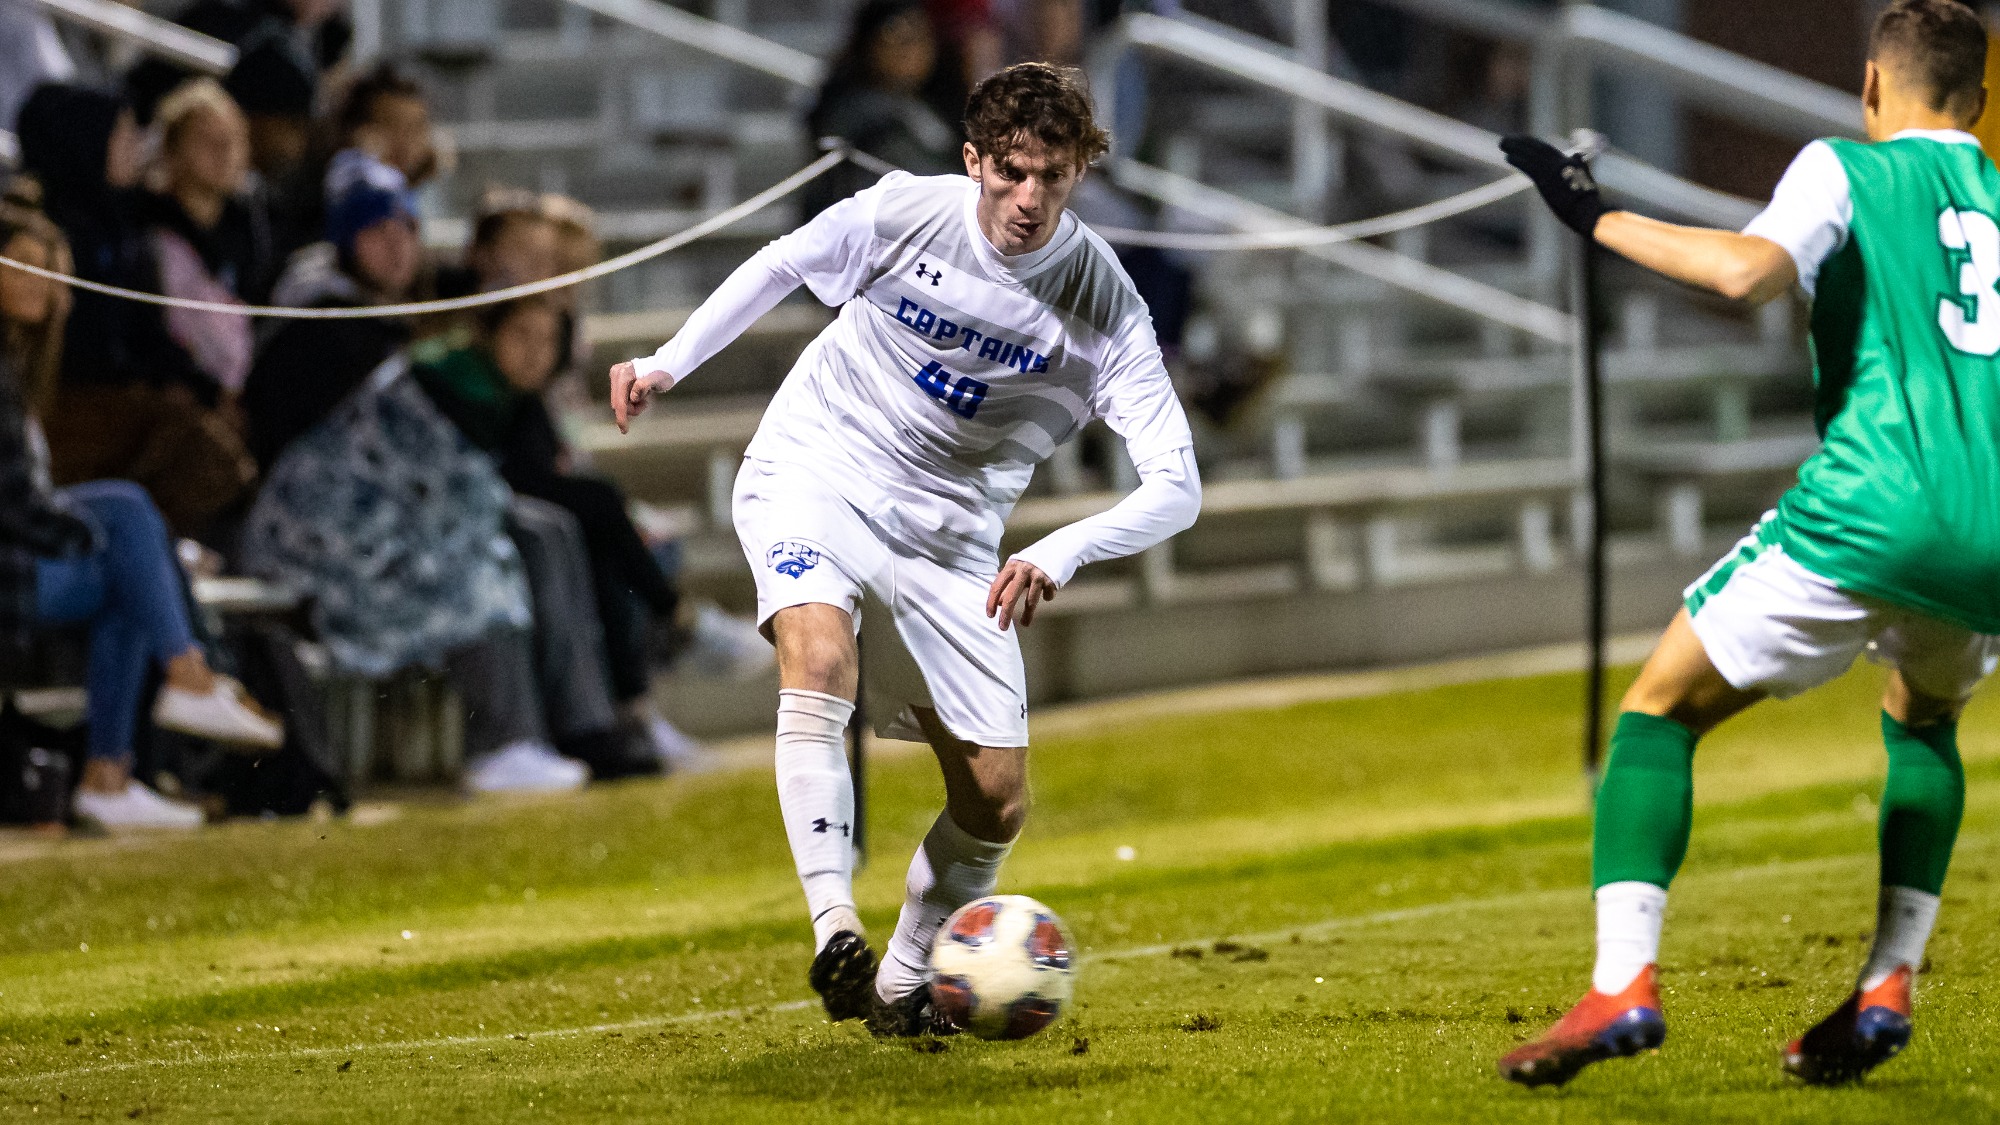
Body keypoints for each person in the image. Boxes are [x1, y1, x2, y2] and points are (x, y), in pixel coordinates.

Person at [610, 62, 1202, 1034]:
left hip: (952, 537)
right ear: (972, 161)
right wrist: (668, 361)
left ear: (1078, 175)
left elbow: (1176, 486)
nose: (1027, 198)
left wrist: (1061, 549)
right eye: (1010, 172)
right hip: (820, 464)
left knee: (995, 801)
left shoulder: (1103, 303)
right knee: (817, 658)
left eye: (1051, 177)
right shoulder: (903, 213)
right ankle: (833, 926)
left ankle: (898, 984)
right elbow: (782, 263)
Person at [1496, 0, 1995, 1089]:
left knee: (1657, 710)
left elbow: (1744, 272)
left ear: (1872, 85)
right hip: (1991, 533)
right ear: (1981, 99)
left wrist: (1593, 216)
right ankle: (1886, 981)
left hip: (1872, 505)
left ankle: (1620, 984)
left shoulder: (1844, 167)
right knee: (1924, 720)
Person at [241, 180, 589, 795]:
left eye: (407, 230)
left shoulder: (439, 341)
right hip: (317, 540)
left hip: (384, 523)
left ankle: (570, 731)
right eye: (378, 232)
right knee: (481, 568)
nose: (396, 246)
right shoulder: (352, 336)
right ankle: (499, 745)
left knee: (529, 538)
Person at [1, 193, 283, 832]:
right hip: (11, 569)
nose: (40, 283)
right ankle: (185, 680)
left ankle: (112, 773)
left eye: (47, 269)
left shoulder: (17, 365)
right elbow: (15, 506)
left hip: (21, 559)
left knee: (129, 550)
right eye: (21, 265)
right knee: (125, 529)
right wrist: (100, 541)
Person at [15, 83, 257, 539]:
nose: (134, 146)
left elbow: (147, 330)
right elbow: (84, 344)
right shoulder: (49, 230)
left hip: (118, 396)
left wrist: (197, 386)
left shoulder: (123, 225)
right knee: (196, 449)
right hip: (62, 401)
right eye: (122, 134)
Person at [144, 78, 271, 397]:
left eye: (233, 139)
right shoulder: (148, 225)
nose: (224, 151)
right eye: (206, 140)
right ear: (172, 149)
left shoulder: (247, 223)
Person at [805, 1, 965, 217]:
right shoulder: (850, 114)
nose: (909, 51)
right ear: (868, 44)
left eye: (919, 37)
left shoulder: (942, 104)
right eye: (896, 38)